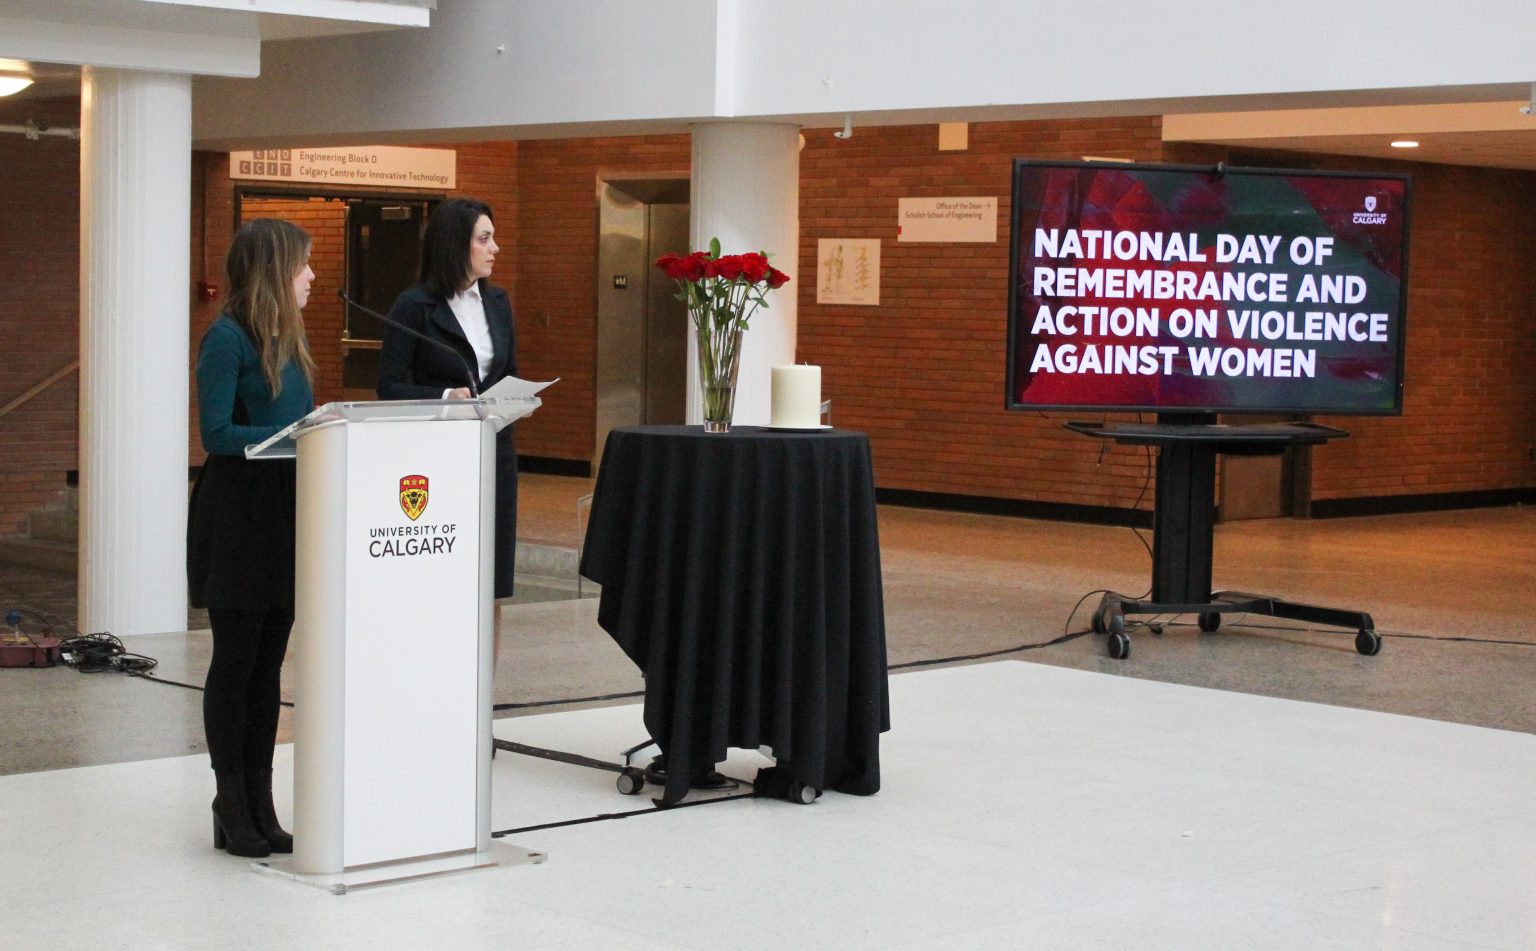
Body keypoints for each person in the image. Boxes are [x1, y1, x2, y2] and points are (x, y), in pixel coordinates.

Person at [187, 218, 316, 858]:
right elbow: (215, 434)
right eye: (303, 266)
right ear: (274, 270)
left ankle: (262, 802)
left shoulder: (290, 344)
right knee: (235, 664)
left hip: (287, 512)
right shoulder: (226, 340)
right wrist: (285, 441)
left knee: (268, 669)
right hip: (238, 515)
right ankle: (229, 799)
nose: (313, 277)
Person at [377, 197, 519, 642]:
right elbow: (389, 385)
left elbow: (506, 372)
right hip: (437, 462)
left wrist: (516, 399)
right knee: (444, 575)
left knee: (490, 586)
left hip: (493, 452)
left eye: (493, 237)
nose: (495, 248)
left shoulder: (497, 301)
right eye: (484, 238)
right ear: (456, 245)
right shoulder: (413, 306)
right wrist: (444, 398)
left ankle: (482, 701)